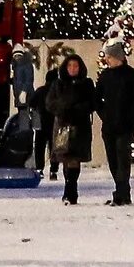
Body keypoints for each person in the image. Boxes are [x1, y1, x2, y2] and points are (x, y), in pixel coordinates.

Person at [94, 41, 134, 206]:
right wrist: (105, 114)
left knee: (122, 158)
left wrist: (127, 112)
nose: (107, 60)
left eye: (109, 57)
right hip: (109, 126)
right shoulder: (105, 76)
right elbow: (97, 99)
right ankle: (123, 192)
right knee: (113, 160)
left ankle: (121, 193)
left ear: (118, 57)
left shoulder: (133, 75)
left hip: (126, 125)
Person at [43, 50, 97, 204]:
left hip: (80, 127)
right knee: (65, 158)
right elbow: (49, 103)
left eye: (76, 66)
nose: (73, 68)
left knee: (74, 158)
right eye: (70, 65)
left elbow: (92, 103)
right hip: (62, 126)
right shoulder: (58, 84)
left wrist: (79, 109)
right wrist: (62, 108)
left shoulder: (86, 84)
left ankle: (71, 189)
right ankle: (69, 189)